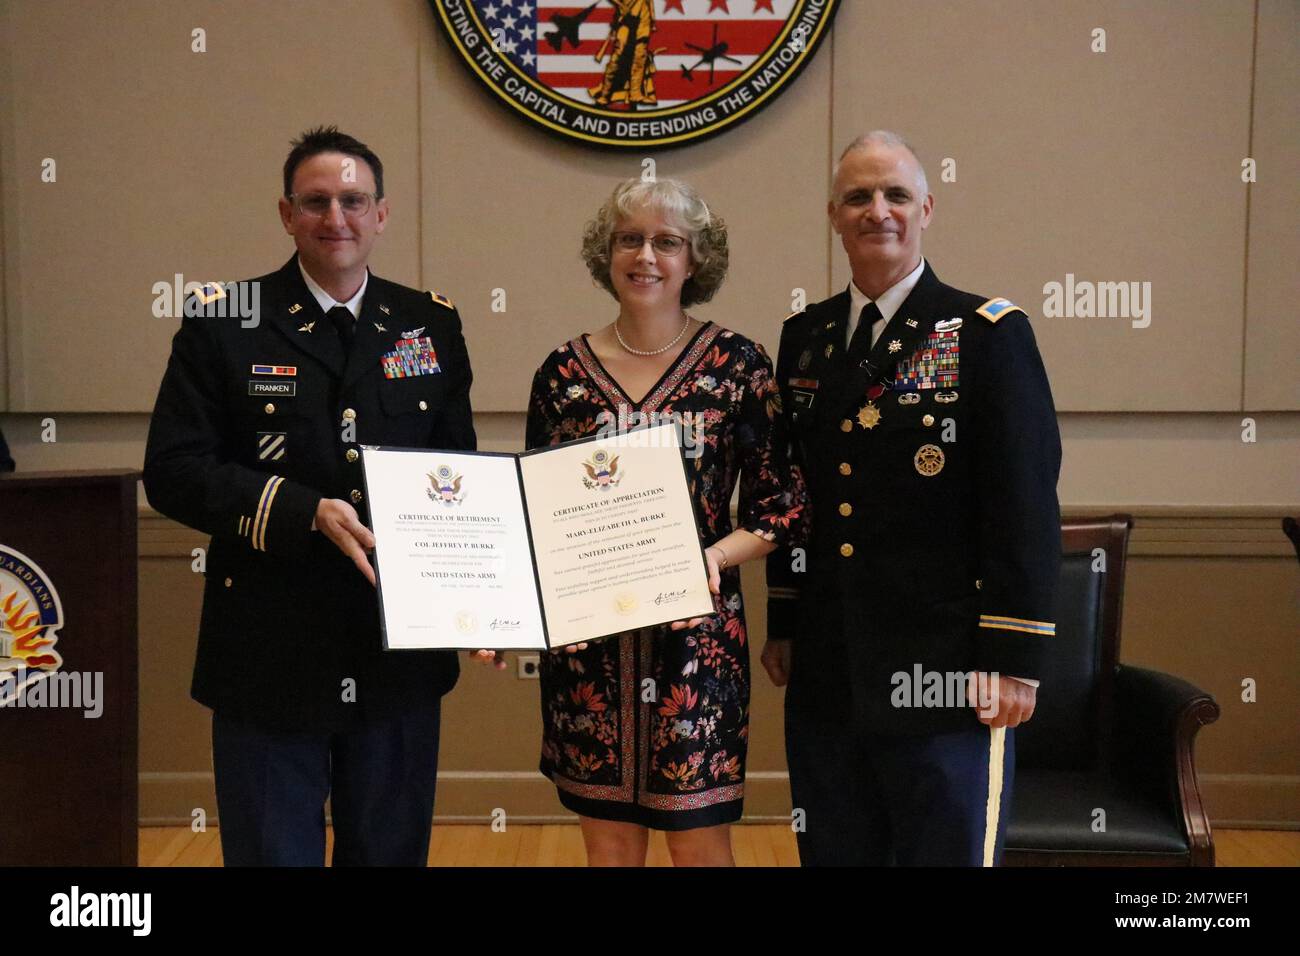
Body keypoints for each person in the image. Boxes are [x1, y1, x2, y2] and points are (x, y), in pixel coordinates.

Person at [143, 126, 475, 866]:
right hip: (269, 647)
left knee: (387, 854)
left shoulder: (429, 322)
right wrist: (303, 510)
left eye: (354, 200)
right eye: (317, 201)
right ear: (287, 214)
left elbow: (459, 475)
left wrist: (476, 593)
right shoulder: (224, 321)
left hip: (396, 650)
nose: (337, 218)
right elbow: (172, 469)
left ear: (381, 214)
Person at [476, 178, 805, 866]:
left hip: (697, 643)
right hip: (588, 650)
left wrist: (715, 557)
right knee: (610, 847)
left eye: (667, 242)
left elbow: (783, 506)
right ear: (607, 253)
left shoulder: (737, 366)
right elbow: (532, 512)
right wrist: (495, 618)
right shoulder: (563, 373)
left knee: (699, 843)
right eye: (631, 239)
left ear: (695, 260)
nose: (646, 255)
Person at [763, 131, 1062, 866]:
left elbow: (1023, 501)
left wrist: (1016, 653)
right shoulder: (805, 339)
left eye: (896, 194)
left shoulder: (986, 333)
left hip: (946, 669)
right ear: (834, 214)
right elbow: (798, 493)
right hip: (830, 669)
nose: (878, 210)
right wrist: (786, 619)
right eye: (859, 197)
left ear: (926, 208)